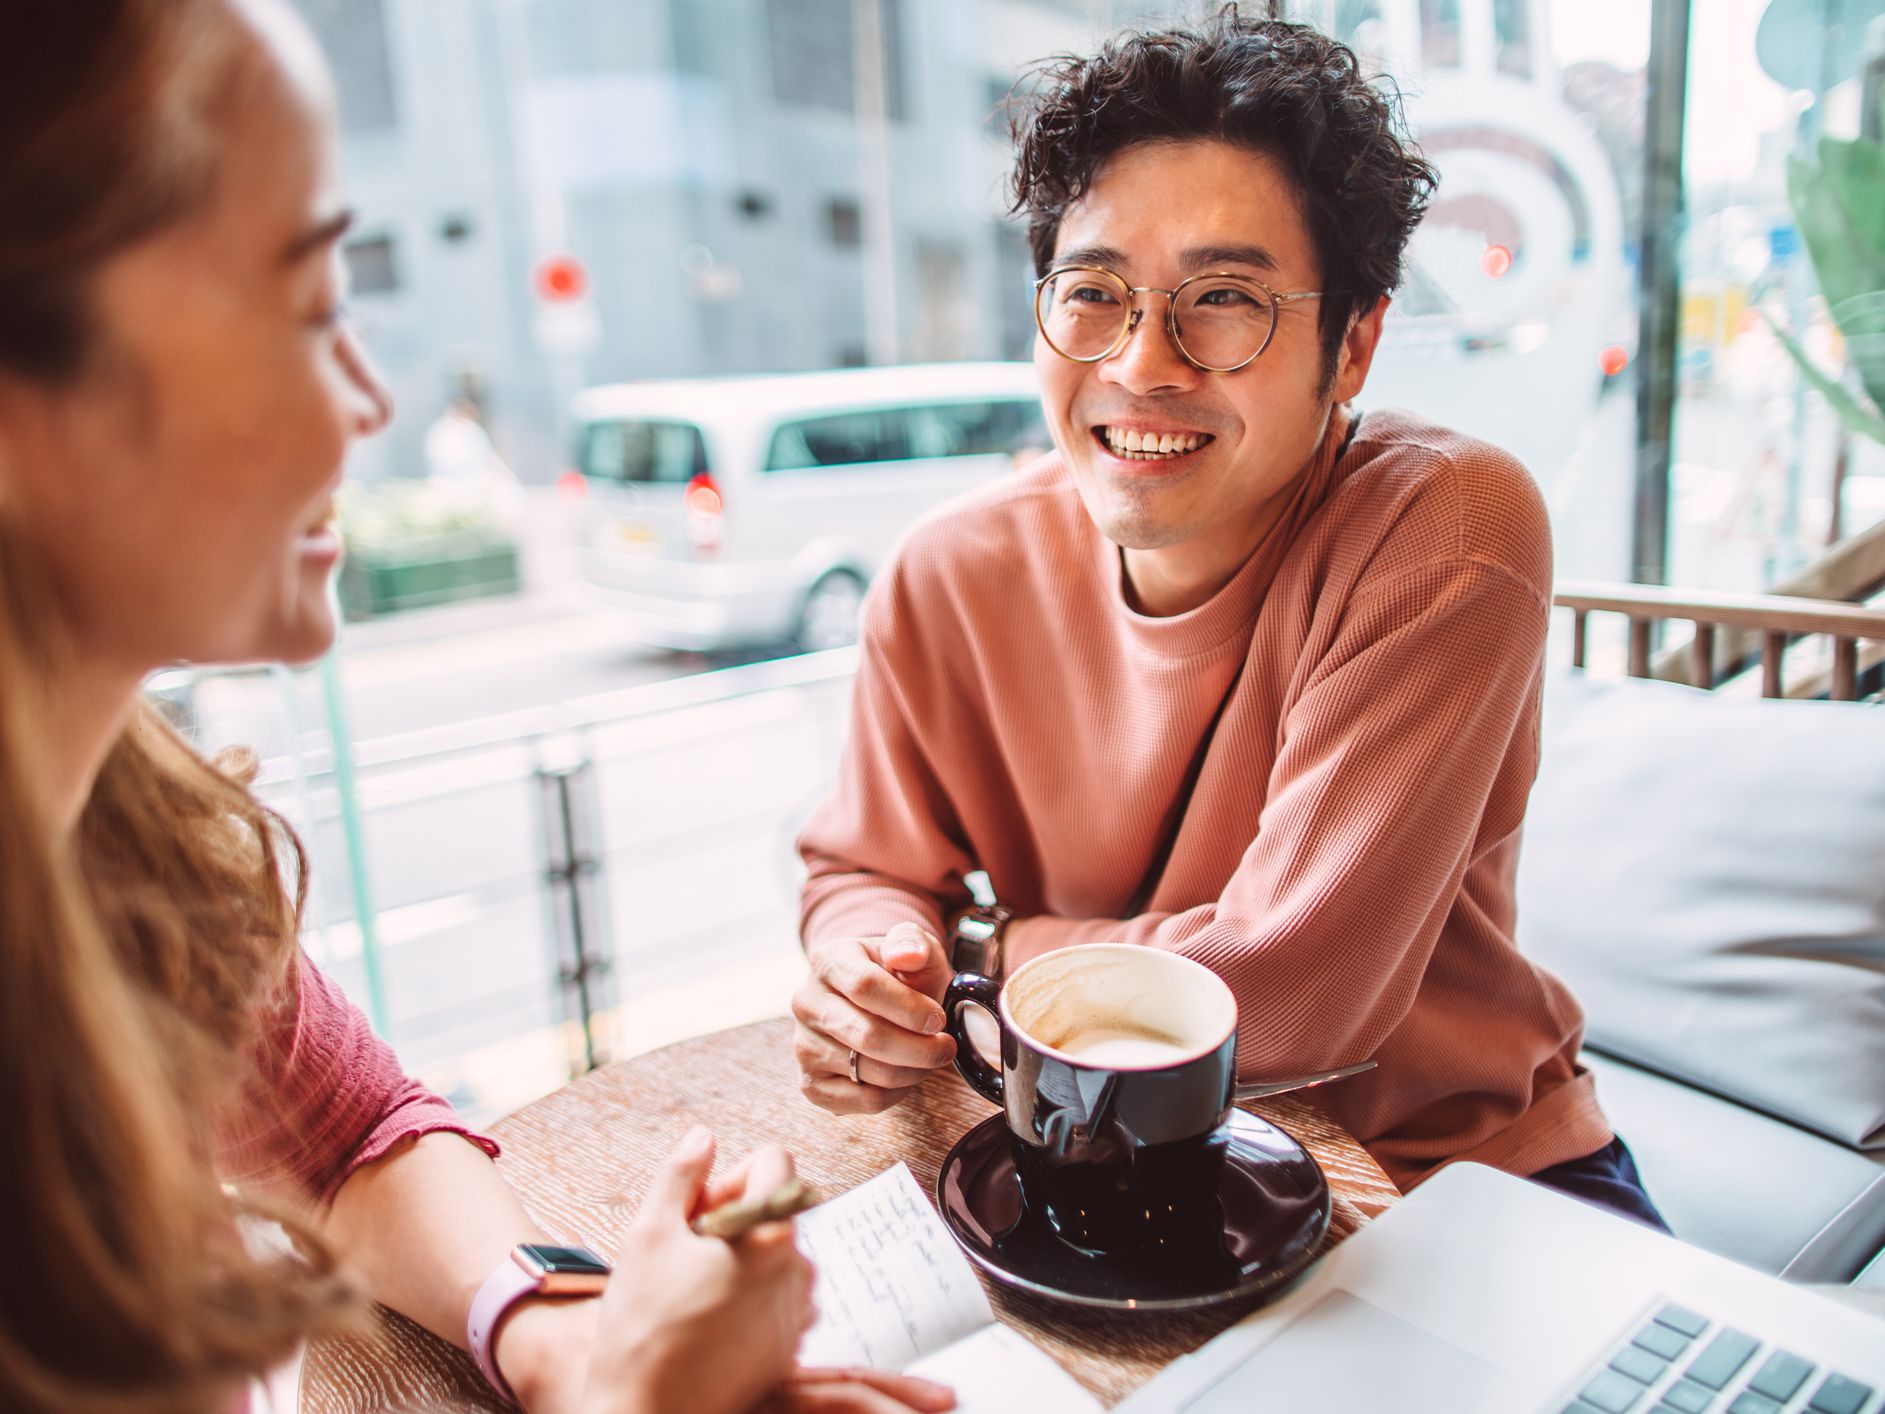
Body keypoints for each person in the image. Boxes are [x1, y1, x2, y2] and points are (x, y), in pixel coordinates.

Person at [0, 3, 954, 1411]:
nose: (368, 403)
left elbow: (343, 1140)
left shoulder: (121, 832)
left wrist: (568, 1342)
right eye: (308, 308)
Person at [791, 9, 1666, 1229]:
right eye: (1093, 292)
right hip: (1096, 1168)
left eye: (1223, 299)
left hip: (1450, 1182)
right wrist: (876, 970)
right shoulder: (947, 572)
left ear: (1353, 345)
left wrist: (979, 951)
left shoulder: (1446, 524)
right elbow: (866, 870)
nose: (1142, 362)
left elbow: (1289, 993)